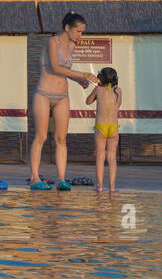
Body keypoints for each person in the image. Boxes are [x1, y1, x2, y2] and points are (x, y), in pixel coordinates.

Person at [29, 11, 95, 192]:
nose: (79, 35)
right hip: (43, 93)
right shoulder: (52, 42)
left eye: (82, 32)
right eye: (77, 31)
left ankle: (61, 178)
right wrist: (83, 74)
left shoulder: (72, 46)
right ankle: (34, 177)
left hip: (62, 96)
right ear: (67, 28)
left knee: (61, 138)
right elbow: (55, 66)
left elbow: (65, 71)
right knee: (41, 136)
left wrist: (79, 80)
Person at [87, 67, 123, 193]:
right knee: (112, 157)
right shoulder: (118, 90)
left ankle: (100, 186)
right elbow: (118, 105)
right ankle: (112, 187)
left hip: (101, 127)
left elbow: (88, 102)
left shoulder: (98, 89)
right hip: (113, 128)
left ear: (100, 78)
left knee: (100, 156)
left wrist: (97, 95)